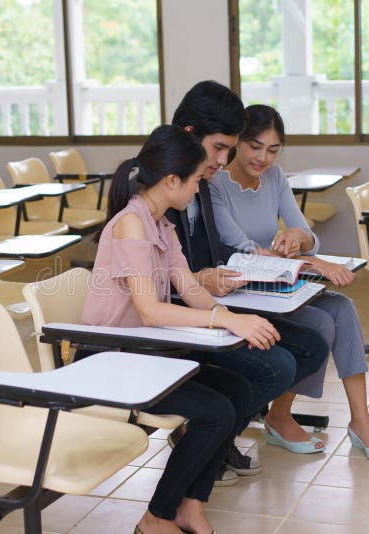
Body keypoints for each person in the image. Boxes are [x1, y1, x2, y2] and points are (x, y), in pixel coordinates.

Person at [83, 124, 291, 534]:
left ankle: (191, 505)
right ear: (172, 180)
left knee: (240, 391)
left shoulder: (162, 224)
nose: (199, 190)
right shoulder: (131, 225)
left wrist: (232, 318)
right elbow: (150, 311)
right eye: (196, 180)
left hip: (145, 352)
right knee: (215, 412)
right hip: (110, 358)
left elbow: (191, 290)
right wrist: (226, 319)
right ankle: (155, 516)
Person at [208, 104, 369, 462]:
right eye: (255, 146)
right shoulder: (217, 185)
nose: (263, 157)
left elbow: (309, 234)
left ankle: (361, 421)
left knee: (342, 306)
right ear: (237, 143)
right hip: (240, 287)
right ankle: (279, 416)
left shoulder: (275, 178)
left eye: (273, 150)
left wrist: (297, 238)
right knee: (323, 320)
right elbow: (246, 250)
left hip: (276, 283)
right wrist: (313, 262)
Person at [168, 81, 330, 454]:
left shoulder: (202, 183)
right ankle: (209, 446)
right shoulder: (158, 187)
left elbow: (221, 246)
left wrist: (268, 261)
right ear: (191, 135)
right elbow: (141, 283)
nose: (223, 161)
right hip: (179, 314)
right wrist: (200, 283)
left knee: (311, 346)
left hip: (208, 301)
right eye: (221, 148)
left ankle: (213, 441)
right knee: (277, 364)